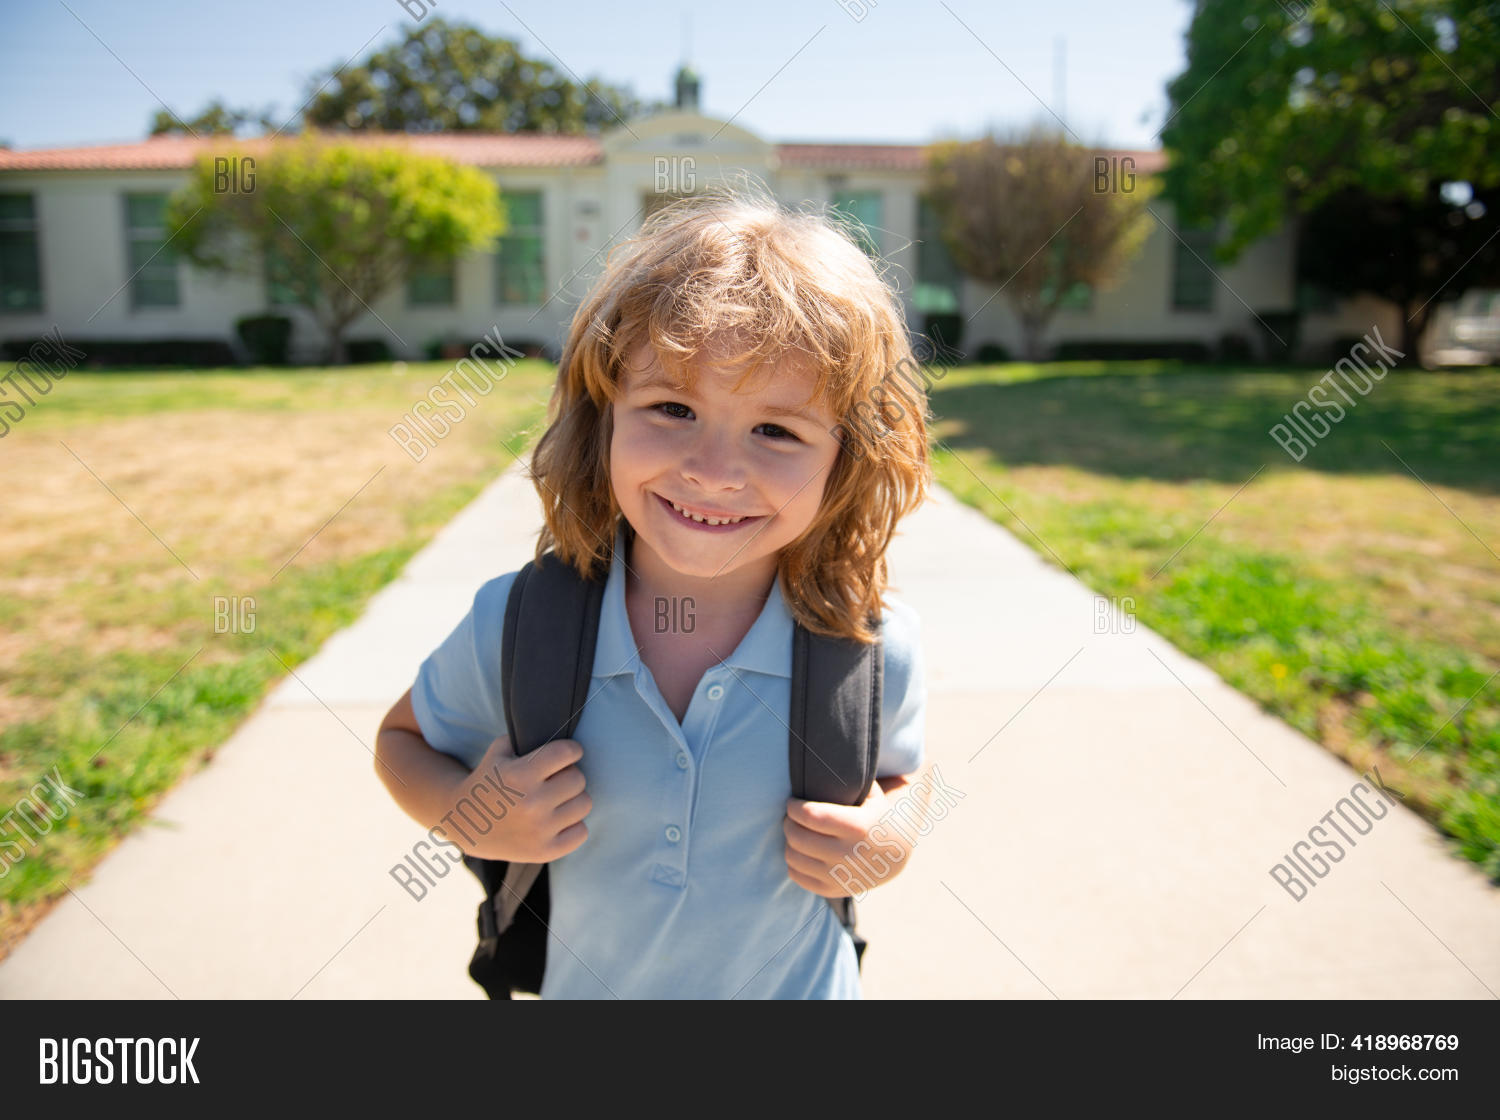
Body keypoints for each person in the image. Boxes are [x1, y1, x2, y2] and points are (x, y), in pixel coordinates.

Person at [374, 183, 932, 998]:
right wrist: (470, 814)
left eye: (776, 430)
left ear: (848, 460)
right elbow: (401, 745)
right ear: (601, 418)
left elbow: (909, 779)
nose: (713, 472)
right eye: (672, 407)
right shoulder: (524, 624)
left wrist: (894, 836)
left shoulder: (867, 642)